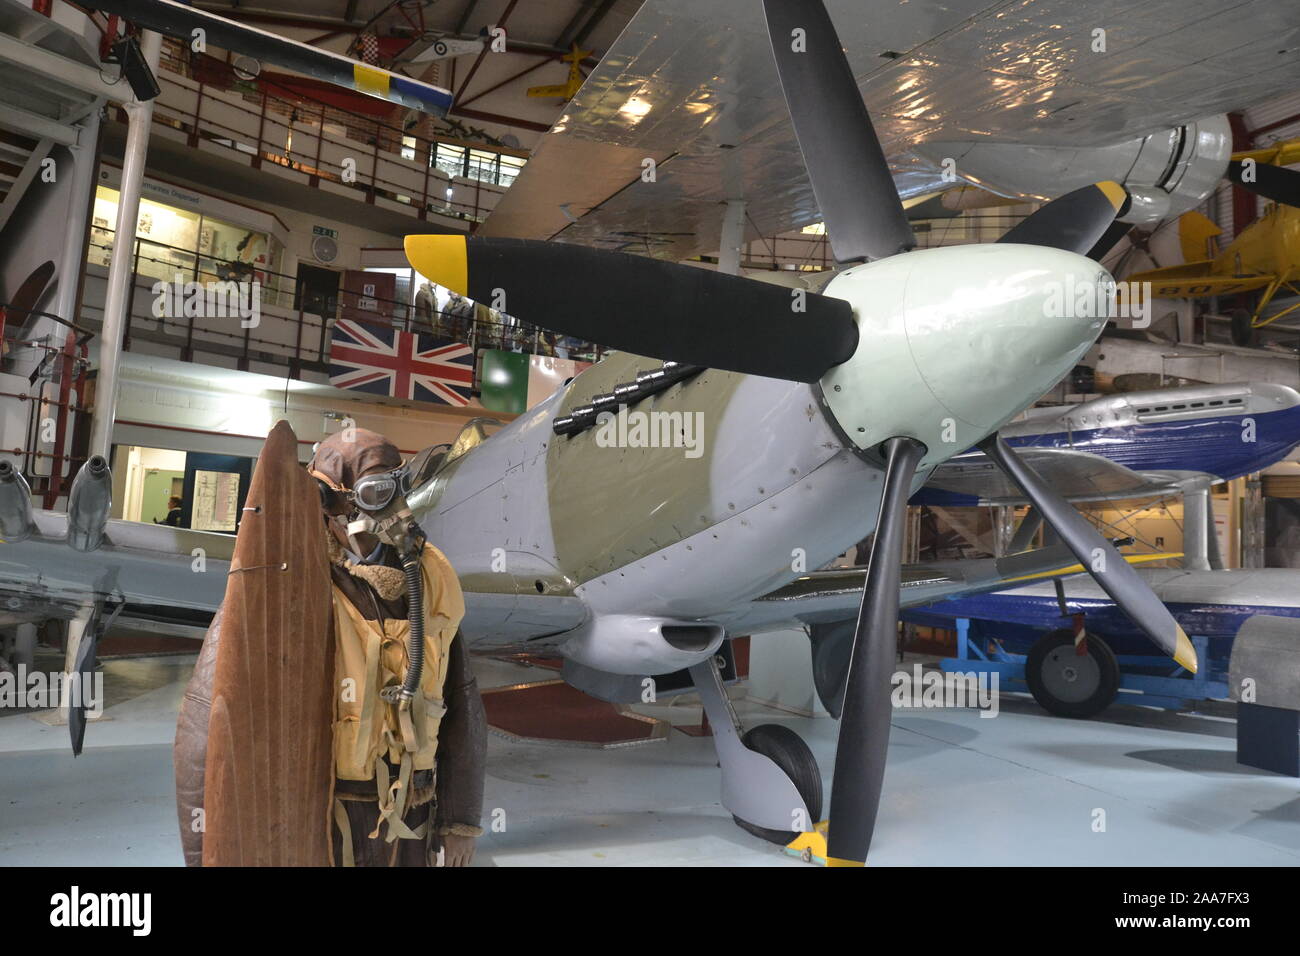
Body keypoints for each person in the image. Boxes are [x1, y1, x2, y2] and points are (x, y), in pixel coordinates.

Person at [174, 429, 486, 866]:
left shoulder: (430, 586)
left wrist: (460, 822)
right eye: (371, 492)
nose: (388, 510)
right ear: (328, 504)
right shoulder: (282, 588)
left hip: (414, 816)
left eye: (392, 489)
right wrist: (206, 848)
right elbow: (206, 723)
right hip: (322, 821)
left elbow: (461, 702)